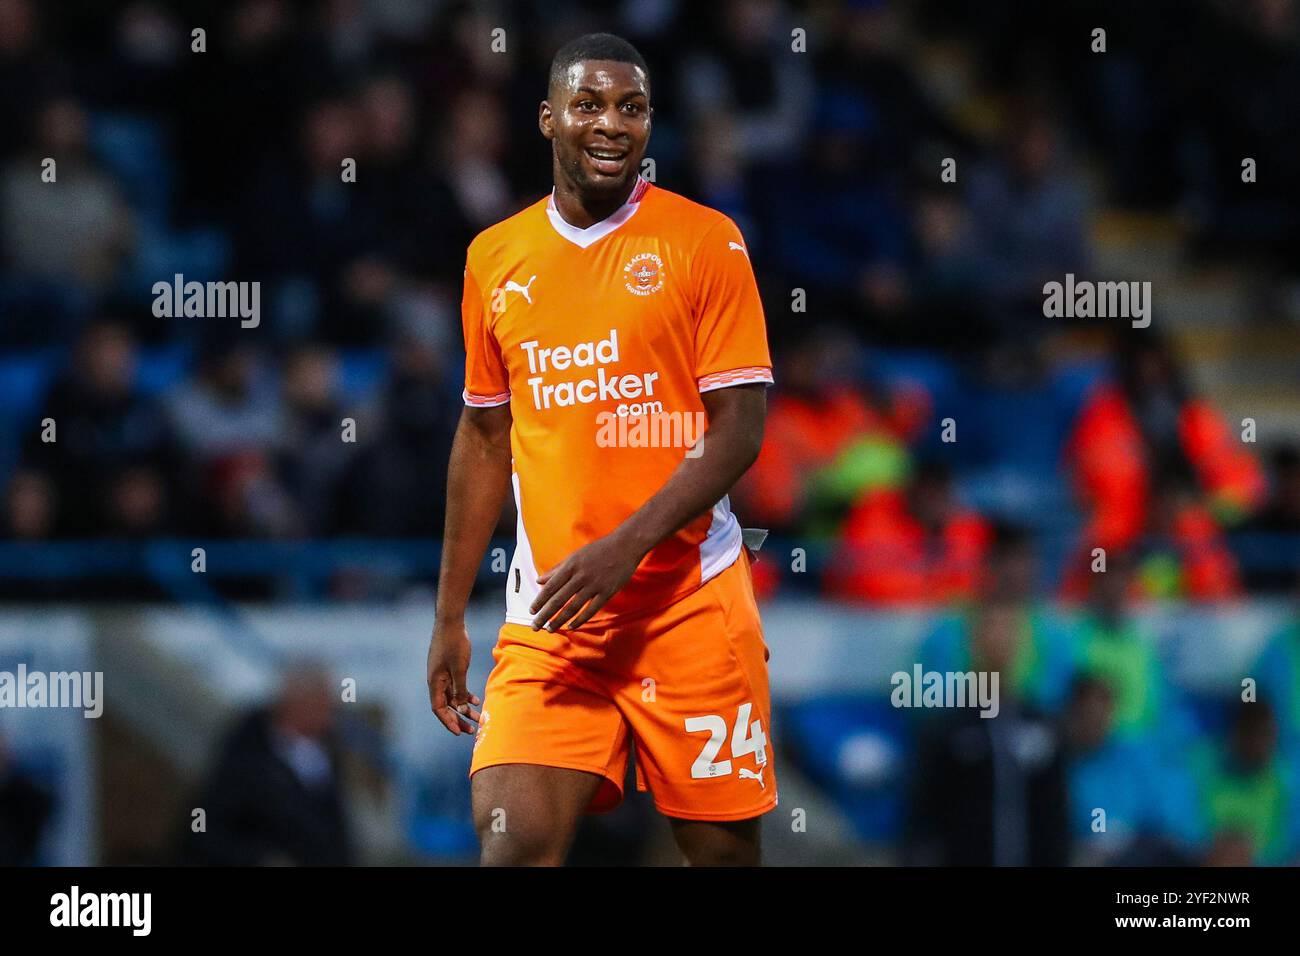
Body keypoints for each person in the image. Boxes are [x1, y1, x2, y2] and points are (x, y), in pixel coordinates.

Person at [426, 33, 776, 866]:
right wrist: (447, 618)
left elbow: (740, 429)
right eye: (589, 104)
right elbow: (483, 436)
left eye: (632, 107)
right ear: (549, 118)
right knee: (514, 845)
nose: (611, 124)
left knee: (724, 858)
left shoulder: (705, 242)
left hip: (686, 604)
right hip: (552, 616)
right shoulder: (495, 258)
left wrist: (627, 546)